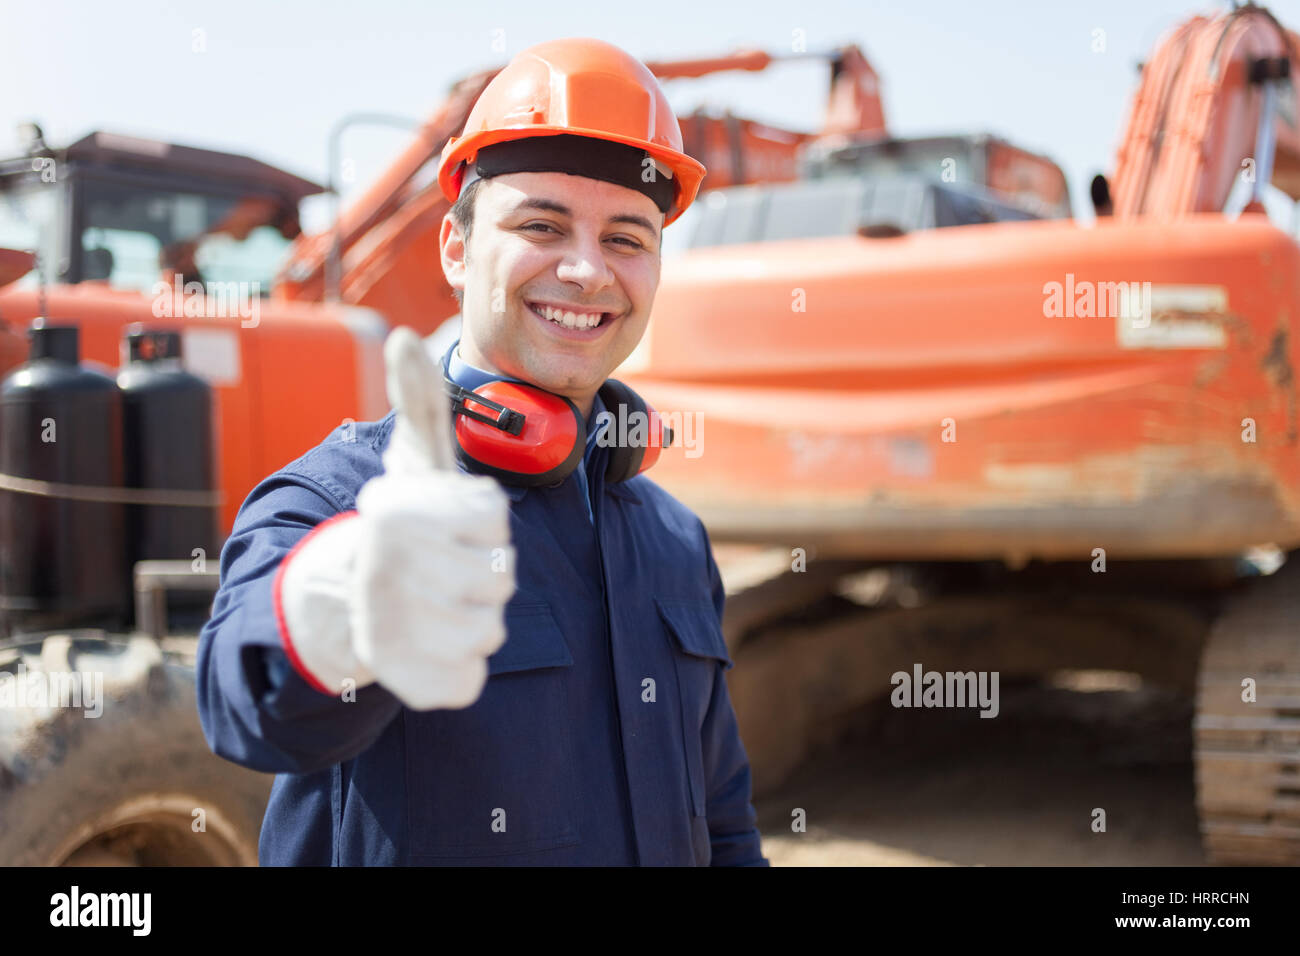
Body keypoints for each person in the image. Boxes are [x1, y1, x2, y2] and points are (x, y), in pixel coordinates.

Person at [196, 37, 768, 866]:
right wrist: (347, 595)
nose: (585, 270)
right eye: (542, 224)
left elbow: (724, 822)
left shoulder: (674, 539)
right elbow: (239, 700)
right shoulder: (344, 500)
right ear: (456, 251)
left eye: (627, 238)